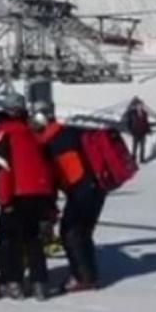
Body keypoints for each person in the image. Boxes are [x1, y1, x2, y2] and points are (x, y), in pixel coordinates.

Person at [33, 102, 107, 294]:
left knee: (70, 233)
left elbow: (51, 178)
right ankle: (89, 274)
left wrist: (49, 208)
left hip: (81, 190)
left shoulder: (49, 143)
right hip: (97, 187)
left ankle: (83, 278)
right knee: (83, 232)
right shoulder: (70, 132)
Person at [0, 93, 55, 300]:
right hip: (41, 192)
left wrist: (4, 198)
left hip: (17, 193)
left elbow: (3, 168)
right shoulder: (33, 131)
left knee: (9, 238)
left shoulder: (2, 132)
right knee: (33, 238)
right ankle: (39, 283)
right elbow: (47, 165)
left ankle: (13, 281)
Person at [124, 98, 152, 163]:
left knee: (142, 147)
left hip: (143, 132)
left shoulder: (145, 113)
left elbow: (146, 123)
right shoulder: (132, 113)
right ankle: (133, 159)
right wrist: (130, 130)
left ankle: (142, 159)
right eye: (138, 105)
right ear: (136, 106)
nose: (139, 106)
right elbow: (129, 123)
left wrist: (148, 130)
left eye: (141, 105)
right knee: (135, 147)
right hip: (135, 132)